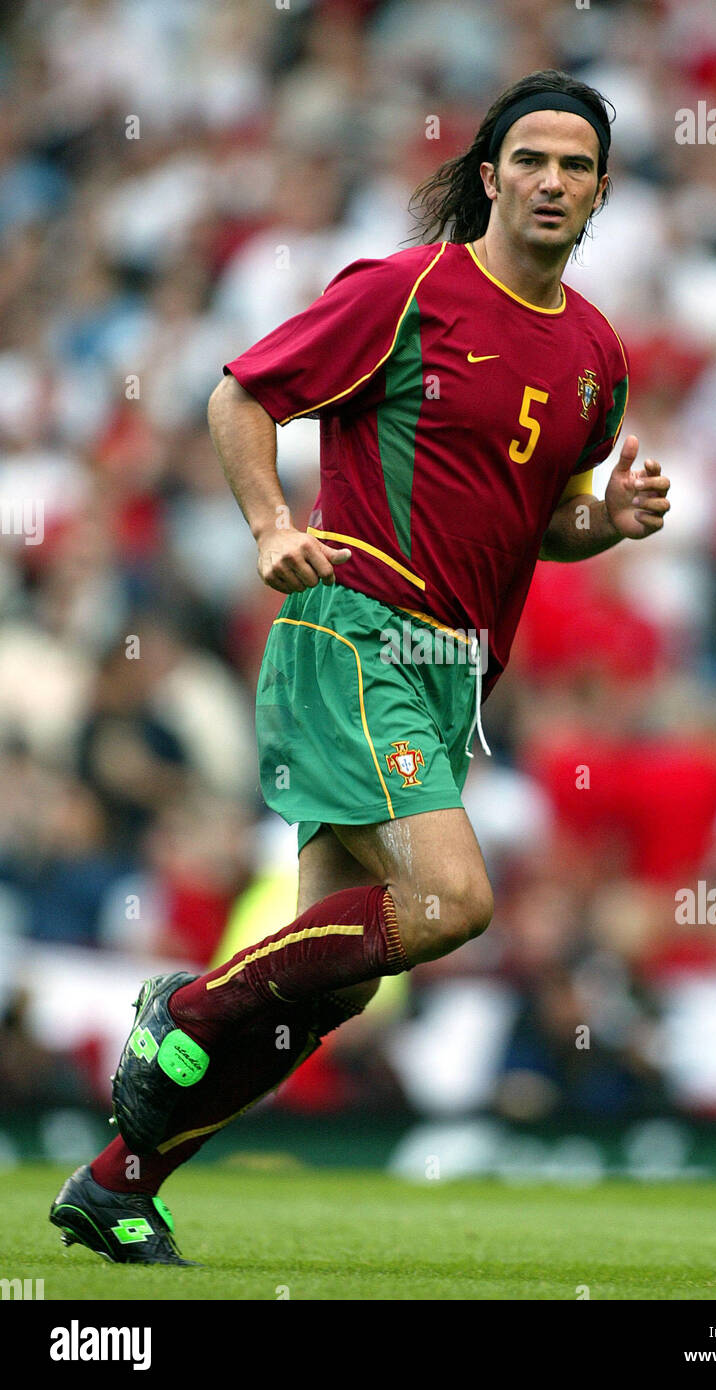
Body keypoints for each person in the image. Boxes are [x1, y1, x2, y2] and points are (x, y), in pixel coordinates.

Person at [50, 68, 670, 1264]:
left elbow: (541, 518)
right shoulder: (404, 291)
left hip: (451, 680)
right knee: (452, 901)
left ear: (600, 191)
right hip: (353, 636)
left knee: (330, 986)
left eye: (575, 165)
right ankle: (181, 1007)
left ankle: (119, 1182)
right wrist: (271, 526)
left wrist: (613, 518)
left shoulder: (596, 351)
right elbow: (242, 394)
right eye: (529, 160)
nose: (550, 181)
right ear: (490, 177)